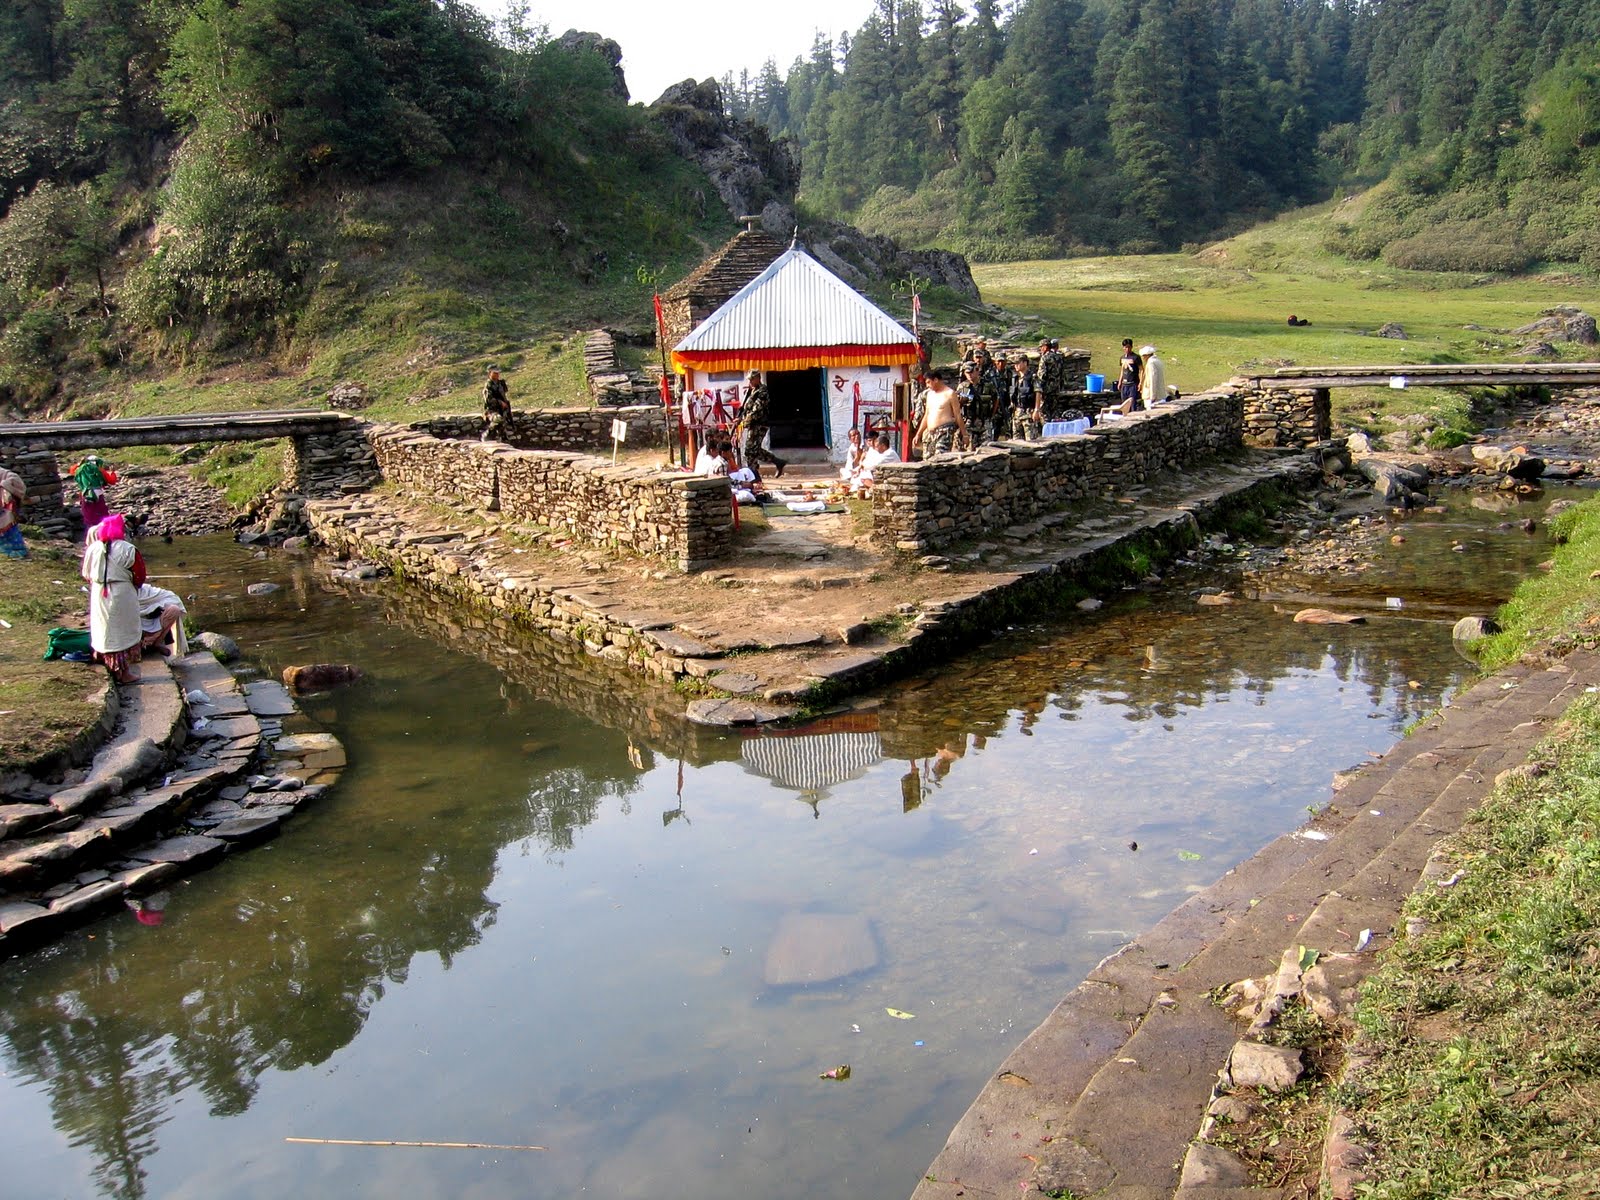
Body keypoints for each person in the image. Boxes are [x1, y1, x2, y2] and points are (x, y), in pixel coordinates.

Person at [80, 513, 145, 684]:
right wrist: (132, 585)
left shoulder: (92, 549)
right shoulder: (128, 549)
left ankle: (111, 667)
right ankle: (123, 672)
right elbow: (139, 575)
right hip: (123, 593)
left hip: (99, 592)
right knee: (123, 630)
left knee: (106, 629)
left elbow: (86, 573)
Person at [737, 370, 786, 477]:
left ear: (758, 379)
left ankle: (756, 472)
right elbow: (746, 408)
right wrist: (740, 418)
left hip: (759, 424)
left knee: (751, 450)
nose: (750, 381)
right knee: (752, 450)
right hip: (752, 424)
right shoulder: (751, 391)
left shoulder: (762, 391)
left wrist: (744, 421)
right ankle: (754, 473)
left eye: (752, 379)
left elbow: (757, 410)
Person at [912, 368, 969, 457]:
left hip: (944, 432)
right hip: (930, 434)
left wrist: (964, 434)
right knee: (927, 460)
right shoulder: (930, 394)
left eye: (928, 382)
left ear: (935, 380)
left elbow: (958, 415)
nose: (927, 386)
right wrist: (918, 434)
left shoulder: (950, 393)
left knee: (940, 459)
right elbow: (926, 416)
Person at [136, 583, 187, 656]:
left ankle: (155, 644)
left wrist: (156, 634)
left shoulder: (146, 590)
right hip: (133, 629)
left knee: (174, 610)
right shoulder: (121, 593)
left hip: (152, 629)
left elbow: (174, 598)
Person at [71, 454, 117, 533]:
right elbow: (112, 481)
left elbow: (71, 471)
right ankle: (104, 530)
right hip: (98, 494)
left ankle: (90, 531)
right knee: (101, 512)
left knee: (88, 513)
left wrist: (79, 463)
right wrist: (112, 472)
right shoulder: (100, 470)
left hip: (85, 494)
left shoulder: (80, 469)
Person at [958, 362, 998, 449]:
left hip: (985, 421)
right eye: (967, 373)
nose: (969, 375)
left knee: (988, 448)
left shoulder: (987, 385)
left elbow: (996, 399)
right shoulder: (964, 386)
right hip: (969, 422)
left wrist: (992, 414)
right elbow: (959, 404)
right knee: (970, 449)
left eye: (971, 372)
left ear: (977, 371)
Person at [0, 468, 26, 558]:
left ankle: (15, 552)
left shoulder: (5, 474)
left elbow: (13, 478)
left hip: (6, 506)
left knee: (8, 530)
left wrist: (5, 486)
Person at [1037, 338, 1066, 421]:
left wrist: (1039, 389)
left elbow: (1042, 375)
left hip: (1047, 389)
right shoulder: (1058, 357)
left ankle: (1045, 429)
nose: (1040, 349)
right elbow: (1062, 373)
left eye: (1041, 347)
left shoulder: (1045, 358)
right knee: (1054, 410)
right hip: (1056, 388)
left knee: (1044, 411)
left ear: (1045, 347)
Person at [481, 368, 511, 442]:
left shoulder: (500, 383)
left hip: (502, 409)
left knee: (503, 427)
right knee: (498, 419)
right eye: (494, 373)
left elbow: (504, 395)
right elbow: (488, 400)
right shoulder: (488, 385)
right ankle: (487, 434)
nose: (497, 375)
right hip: (491, 411)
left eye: (498, 373)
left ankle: (504, 441)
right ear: (490, 374)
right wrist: (500, 402)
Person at [1117, 338, 1142, 403]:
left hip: (1133, 384)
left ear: (1131, 347)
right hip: (1124, 384)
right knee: (1124, 403)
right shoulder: (1122, 358)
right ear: (1123, 348)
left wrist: (1140, 383)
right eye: (1126, 347)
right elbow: (1122, 370)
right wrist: (1120, 381)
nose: (1127, 349)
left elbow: (1141, 370)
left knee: (1132, 403)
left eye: (1129, 347)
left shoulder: (1136, 357)